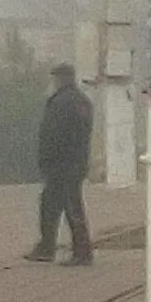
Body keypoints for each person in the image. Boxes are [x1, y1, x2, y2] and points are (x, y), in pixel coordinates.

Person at [25, 63, 94, 266]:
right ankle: (48, 247)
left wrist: (46, 160)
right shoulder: (82, 101)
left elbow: (53, 135)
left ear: (61, 78)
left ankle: (79, 252)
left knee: (67, 206)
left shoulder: (61, 102)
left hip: (61, 164)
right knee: (55, 204)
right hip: (76, 162)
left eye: (55, 77)